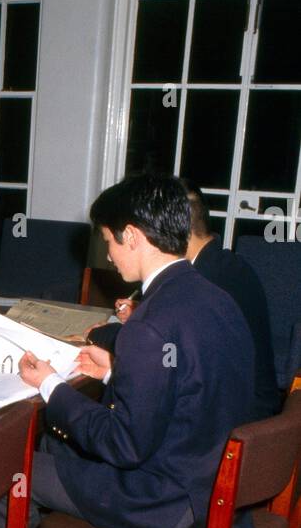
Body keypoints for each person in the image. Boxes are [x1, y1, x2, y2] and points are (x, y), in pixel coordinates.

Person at [0, 174, 255, 528]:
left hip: (165, 503)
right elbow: (194, 386)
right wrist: (118, 371)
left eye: (110, 241)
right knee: (52, 443)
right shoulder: (215, 299)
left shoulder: (150, 323)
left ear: (133, 235)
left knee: (9, 469)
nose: (108, 254)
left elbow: (124, 445)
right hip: (206, 482)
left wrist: (49, 384)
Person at [89, 180, 279, 421]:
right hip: (228, 397)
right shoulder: (224, 265)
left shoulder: (208, 280)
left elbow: (164, 354)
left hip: (236, 416)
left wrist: (108, 334)